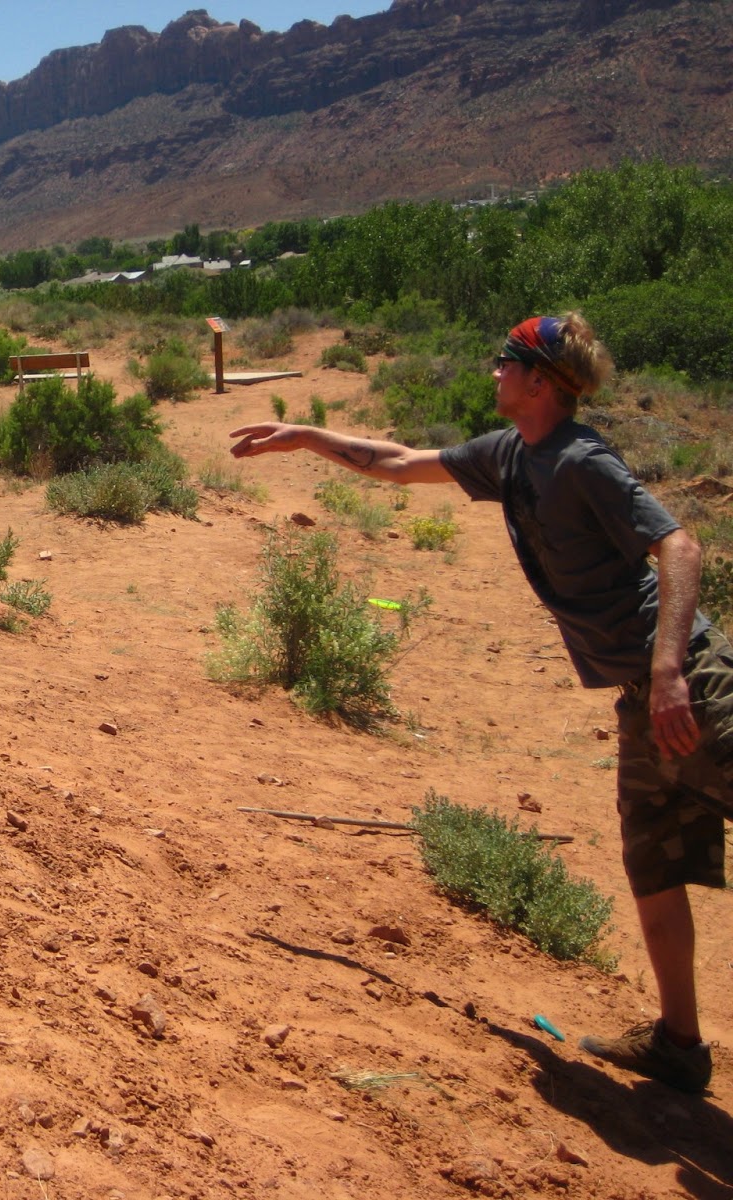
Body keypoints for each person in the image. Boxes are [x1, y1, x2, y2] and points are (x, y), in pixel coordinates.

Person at [228, 313, 723, 1093]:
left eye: (505, 364)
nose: (492, 374)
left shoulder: (580, 460)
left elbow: (681, 546)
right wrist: (304, 437)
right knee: (653, 867)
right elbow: (395, 462)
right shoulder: (510, 457)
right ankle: (680, 1046)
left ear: (539, 381)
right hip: (642, 700)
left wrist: (668, 673)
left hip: (693, 681)